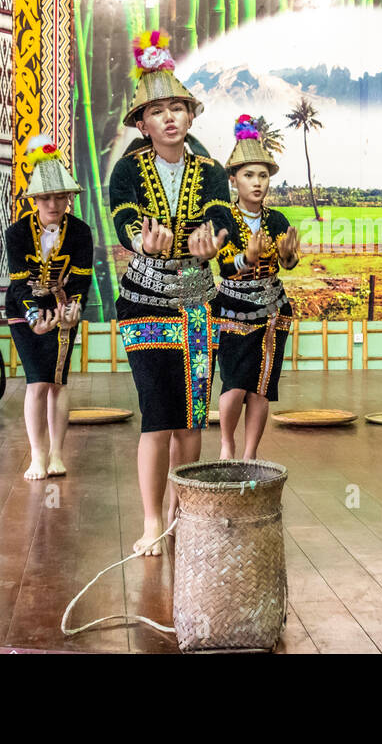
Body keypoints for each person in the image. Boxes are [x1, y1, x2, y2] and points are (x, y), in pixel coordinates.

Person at [109, 30, 232, 555]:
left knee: (189, 416)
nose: (169, 118)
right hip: (143, 305)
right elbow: (123, 216)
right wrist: (140, 237)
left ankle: (188, 513)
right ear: (141, 123)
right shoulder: (126, 170)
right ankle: (150, 519)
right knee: (157, 413)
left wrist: (215, 237)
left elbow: (220, 215)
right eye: (156, 111)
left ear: (189, 115)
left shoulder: (210, 171)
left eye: (177, 107)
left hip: (198, 307)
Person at [4, 137, 93, 480]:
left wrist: (74, 309)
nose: (53, 204)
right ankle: (37, 455)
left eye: (59, 196)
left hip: (63, 307)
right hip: (22, 310)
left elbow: (82, 280)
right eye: (45, 197)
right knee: (36, 381)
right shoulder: (16, 233)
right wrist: (32, 317)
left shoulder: (81, 232)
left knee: (57, 381)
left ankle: (57, 452)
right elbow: (17, 283)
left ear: (69, 197)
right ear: (35, 199)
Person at [213, 116, 300, 460]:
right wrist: (245, 257)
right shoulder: (222, 218)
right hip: (233, 312)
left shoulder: (276, 220)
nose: (257, 182)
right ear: (233, 180)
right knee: (234, 387)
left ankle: (250, 454)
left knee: (262, 389)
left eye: (263, 175)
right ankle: (226, 444)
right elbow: (222, 266)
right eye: (249, 175)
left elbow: (287, 262)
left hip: (273, 312)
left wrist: (289, 256)